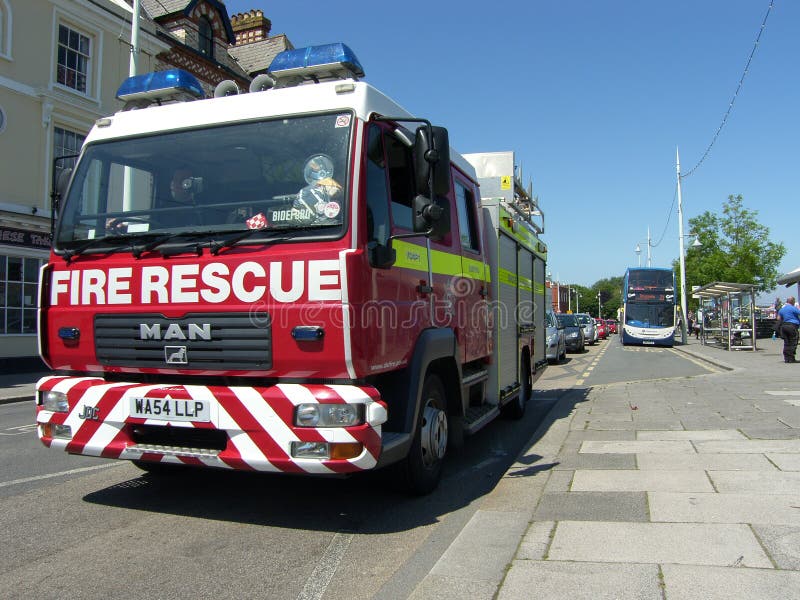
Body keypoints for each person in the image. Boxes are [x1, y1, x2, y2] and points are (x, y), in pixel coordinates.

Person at [776, 296, 800, 363]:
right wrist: (798, 308)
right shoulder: (793, 308)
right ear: (792, 301)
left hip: (784, 326)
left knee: (786, 342)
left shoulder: (782, 309)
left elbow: (778, 318)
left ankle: (787, 358)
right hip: (792, 326)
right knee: (793, 342)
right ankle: (791, 358)